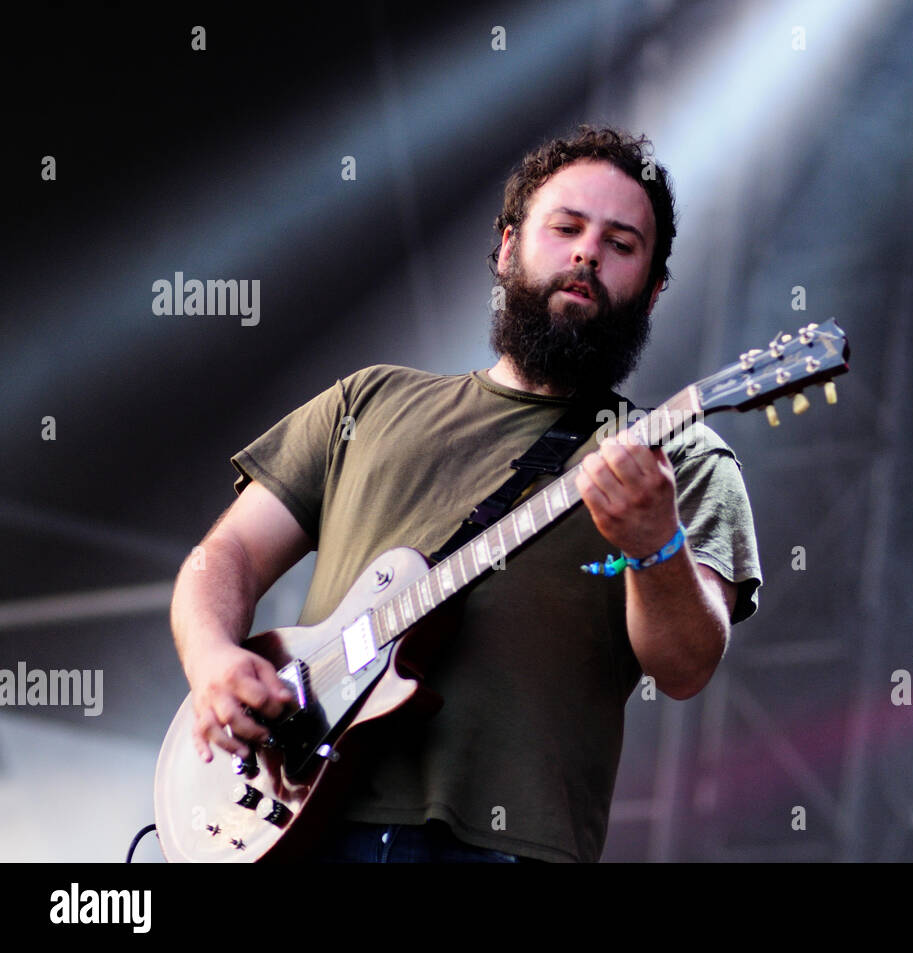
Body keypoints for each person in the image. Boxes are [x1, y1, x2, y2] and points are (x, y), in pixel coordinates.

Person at [169, 125, 763, 862]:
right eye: (566, 227)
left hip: (507, 847)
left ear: (652, 290)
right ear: (509, 246)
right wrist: (212, 660)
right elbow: (224, 552)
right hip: (295, 818)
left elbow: (685, 667)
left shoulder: (679, 457)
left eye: (621, 243)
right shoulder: (369, 400)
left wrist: (657, 543)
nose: (587, 254)